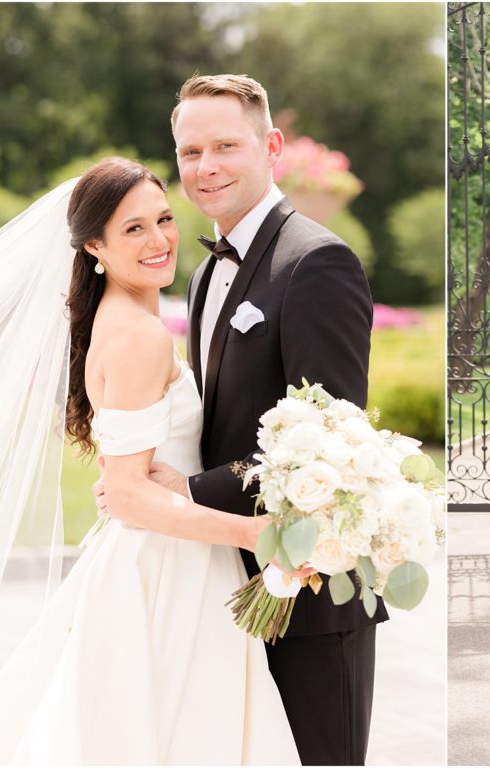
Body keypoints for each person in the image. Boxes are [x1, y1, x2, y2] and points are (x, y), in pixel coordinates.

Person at [0, 157, 299, 764]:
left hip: (171, 552)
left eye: (162, 219)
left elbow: (126, 476)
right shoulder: (137, 334)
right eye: (133, 229)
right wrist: (254, 532)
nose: (159, 240)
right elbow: (128, 494)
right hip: (165, 568)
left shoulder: (123, 316)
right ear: (94, 247)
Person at [99, 74, 388, 766]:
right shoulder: (202, 277)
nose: (206, 167)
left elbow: (331, 447)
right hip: (217, 583)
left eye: (226, 145)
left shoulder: (317, 262)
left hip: (312, 596)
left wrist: (187, 492)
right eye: (190, 151)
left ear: (272, 146)